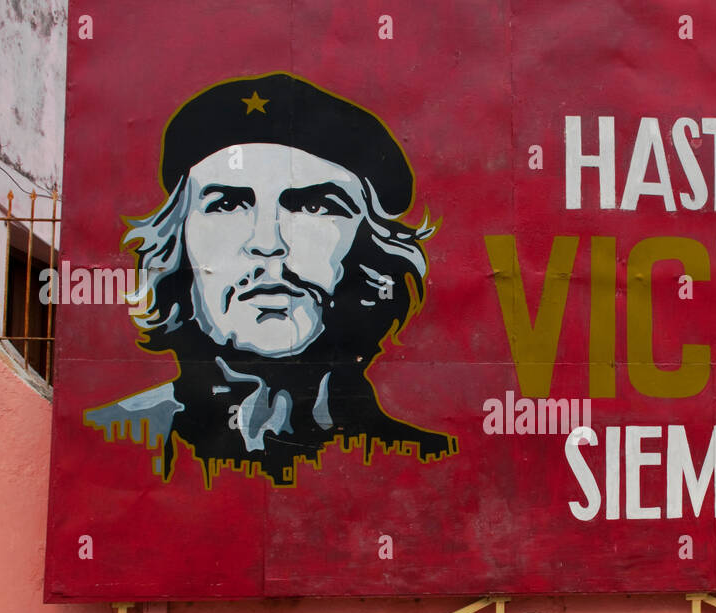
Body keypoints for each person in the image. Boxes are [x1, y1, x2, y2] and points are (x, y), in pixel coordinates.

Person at [85, 72, 456, 486]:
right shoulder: (105, 445)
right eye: (227, 204)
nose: (268, 243)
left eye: (313, 206)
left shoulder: (426, 464)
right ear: (176, 246)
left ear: (372, 250)